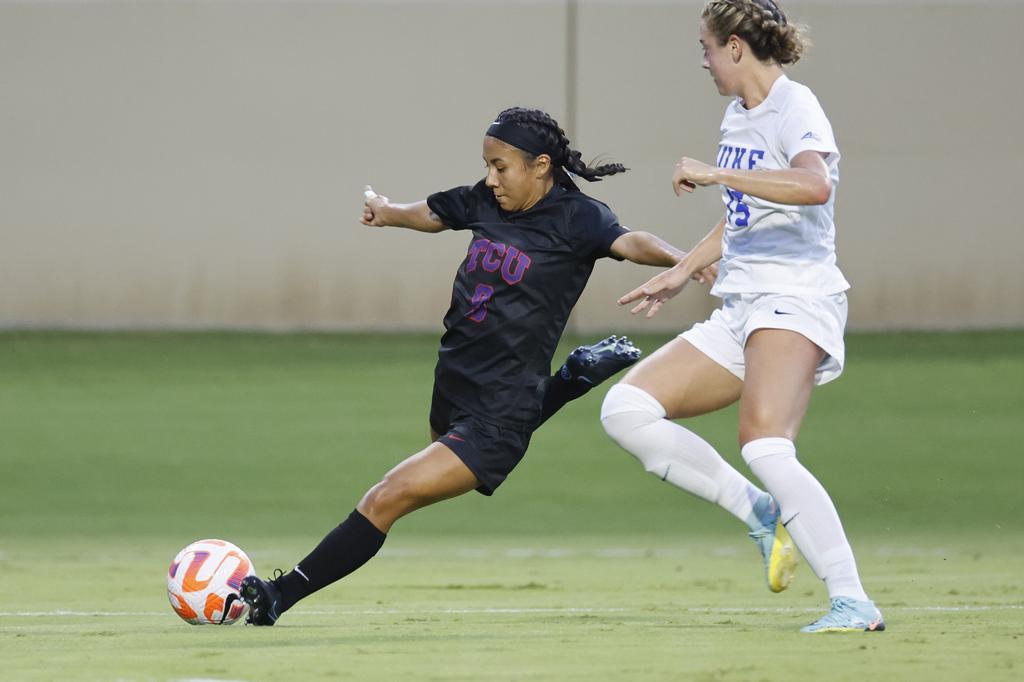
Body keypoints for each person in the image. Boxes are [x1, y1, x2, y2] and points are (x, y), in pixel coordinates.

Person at [239, 106, 697, 625]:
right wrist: (389, 212)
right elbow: (436, 213)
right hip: (455, 382)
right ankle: (570, 380)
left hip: (500, 412)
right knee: (432, 456)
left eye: (501, 166)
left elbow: (631, 241)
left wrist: (687, 263)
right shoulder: (488, 201)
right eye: (487, 165)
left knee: (388, 496)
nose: (490, 177)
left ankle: (280, 596)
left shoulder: (579, 218)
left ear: (541, 165)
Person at [600, 0, 885, 633]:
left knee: (765, 443)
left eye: (705, 47)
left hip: (797, 296)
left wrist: (715, 172)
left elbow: (814, 186)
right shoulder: (737, 115)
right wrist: (679, 273)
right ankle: (759, 511)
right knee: (625, 410)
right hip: (746, 300)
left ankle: (852, 600)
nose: (702, 60)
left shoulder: (796, 106)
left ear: (735, 46)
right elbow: (744, 215)